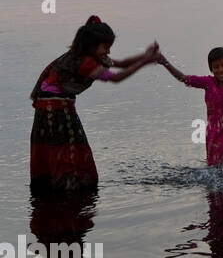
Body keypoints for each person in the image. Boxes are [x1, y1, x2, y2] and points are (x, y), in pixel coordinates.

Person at [30, 15, 158, 193]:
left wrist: (144, 56)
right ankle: (68, 185)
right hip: (53, 107)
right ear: (92, 46)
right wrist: (144, 62)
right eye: (106, 48)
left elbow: (120, 64)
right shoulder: (84, 62)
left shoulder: (89, 56)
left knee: (65, 145)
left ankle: (62, 187)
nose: (108, 52)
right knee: (66, 146)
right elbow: (115, 78)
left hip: (58, 103)